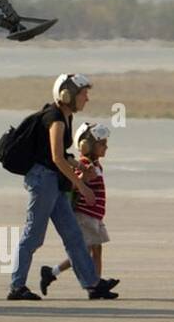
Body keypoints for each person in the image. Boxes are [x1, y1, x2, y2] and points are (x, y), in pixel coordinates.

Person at [7, 73, 120, 300]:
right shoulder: (55, 118)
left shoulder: (65, 118)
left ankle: (92, 284)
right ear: (67, 95)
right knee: (33, 235)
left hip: (54, 181)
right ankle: (17, 286)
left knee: (74, 236)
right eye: (83, 94)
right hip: (43, 181)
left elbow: (61, 156)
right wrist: (82, 185)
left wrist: (78, 163)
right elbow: (56, 157)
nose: (86, 99)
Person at [41, 123, 111, 295]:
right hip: (85, 215)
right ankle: (94, 286)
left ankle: (55, 273)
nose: (106, 147)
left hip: (95, 216)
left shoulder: (97, 165)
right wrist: (83, 179)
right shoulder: (84, 165)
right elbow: (72, 185)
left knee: (93, 251)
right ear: (86, 146)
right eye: (102, 144)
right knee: (86, 252)